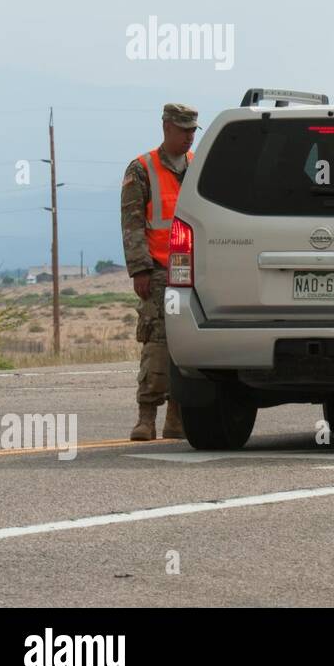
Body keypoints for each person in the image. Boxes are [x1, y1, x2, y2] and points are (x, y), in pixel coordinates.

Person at [121, 103, 198, 439]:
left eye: (193, 131)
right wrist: (139, 268)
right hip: (157, 270)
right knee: (157, 343)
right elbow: (132, 223)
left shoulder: (198, 166)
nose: (189, 137)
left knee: (189, 345)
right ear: (166, 127)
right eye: (184, 130)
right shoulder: (142, 168)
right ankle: (147, 416)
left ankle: (177, 418)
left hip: (193, 272)